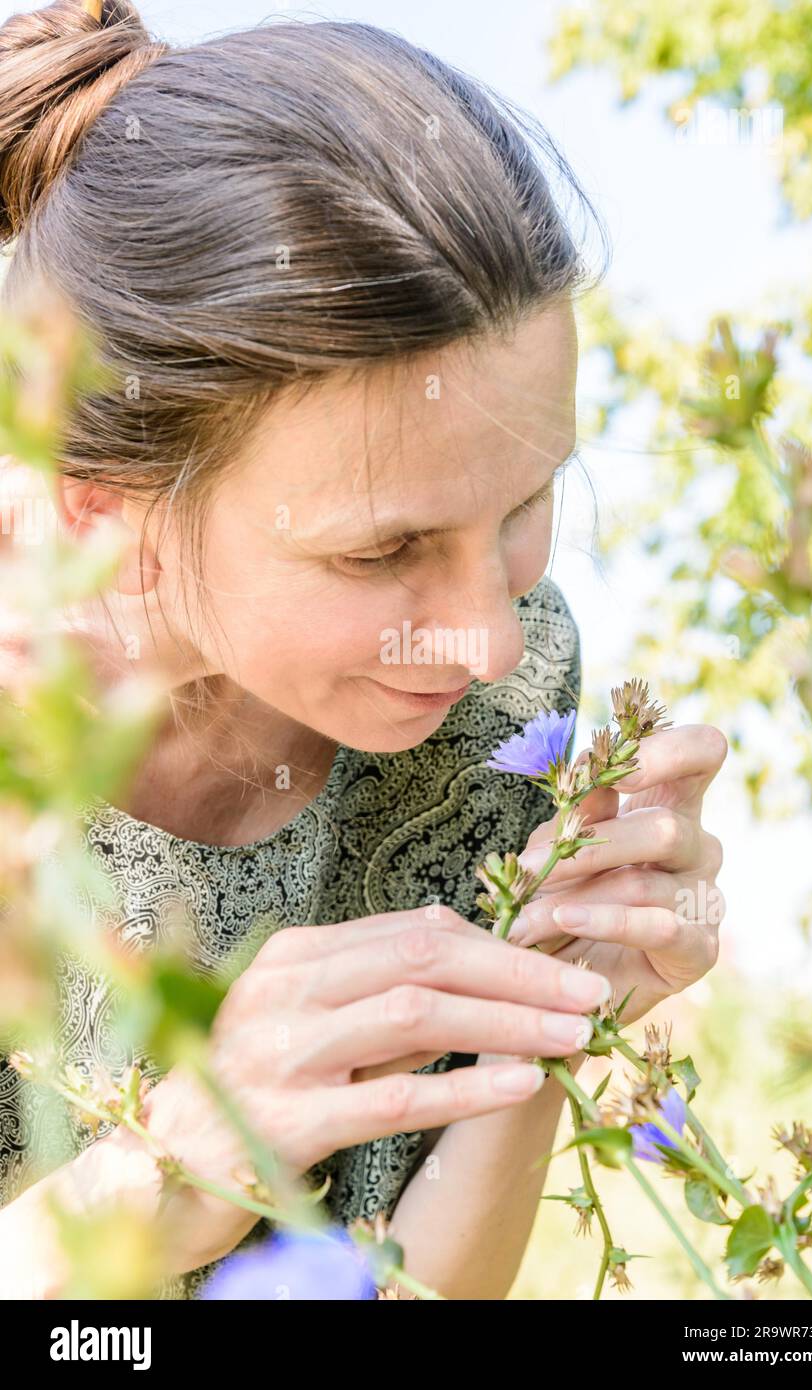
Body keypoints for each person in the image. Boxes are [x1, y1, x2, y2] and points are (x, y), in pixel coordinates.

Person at [0, 2, 726, 1300]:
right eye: (382, 549)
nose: (490, 633)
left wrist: (551, 997)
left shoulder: (508, 684)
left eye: (522, 506)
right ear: (98, 510)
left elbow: (410, 1285)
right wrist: (155, 1182)